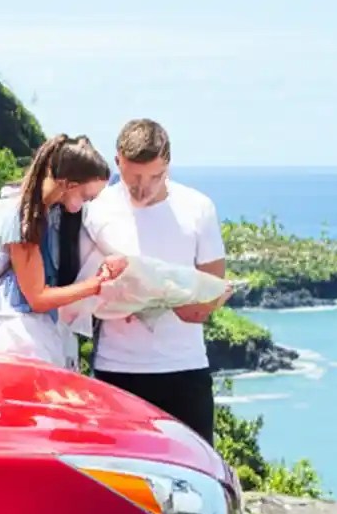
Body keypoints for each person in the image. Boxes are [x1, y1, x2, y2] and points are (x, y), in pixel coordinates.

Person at [81, 118, 229, 443]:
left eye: (155, 176)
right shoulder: (96, 208)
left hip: (184, 368)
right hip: (116, 368)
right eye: (134, 177)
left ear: (168, 165)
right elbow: (80, 287)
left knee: (194, 473)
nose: (143, 188)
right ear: (117, 159)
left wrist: (194, 300)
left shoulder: (198, 208)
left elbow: (211, 288)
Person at [0, 134, 126, 370]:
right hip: (22, 336)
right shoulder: (20, 215)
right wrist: (97, 283)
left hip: (33, 332)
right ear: (69, 184)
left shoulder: (44, 213)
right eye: (86, 196)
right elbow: (37, 298)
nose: (86, 204)